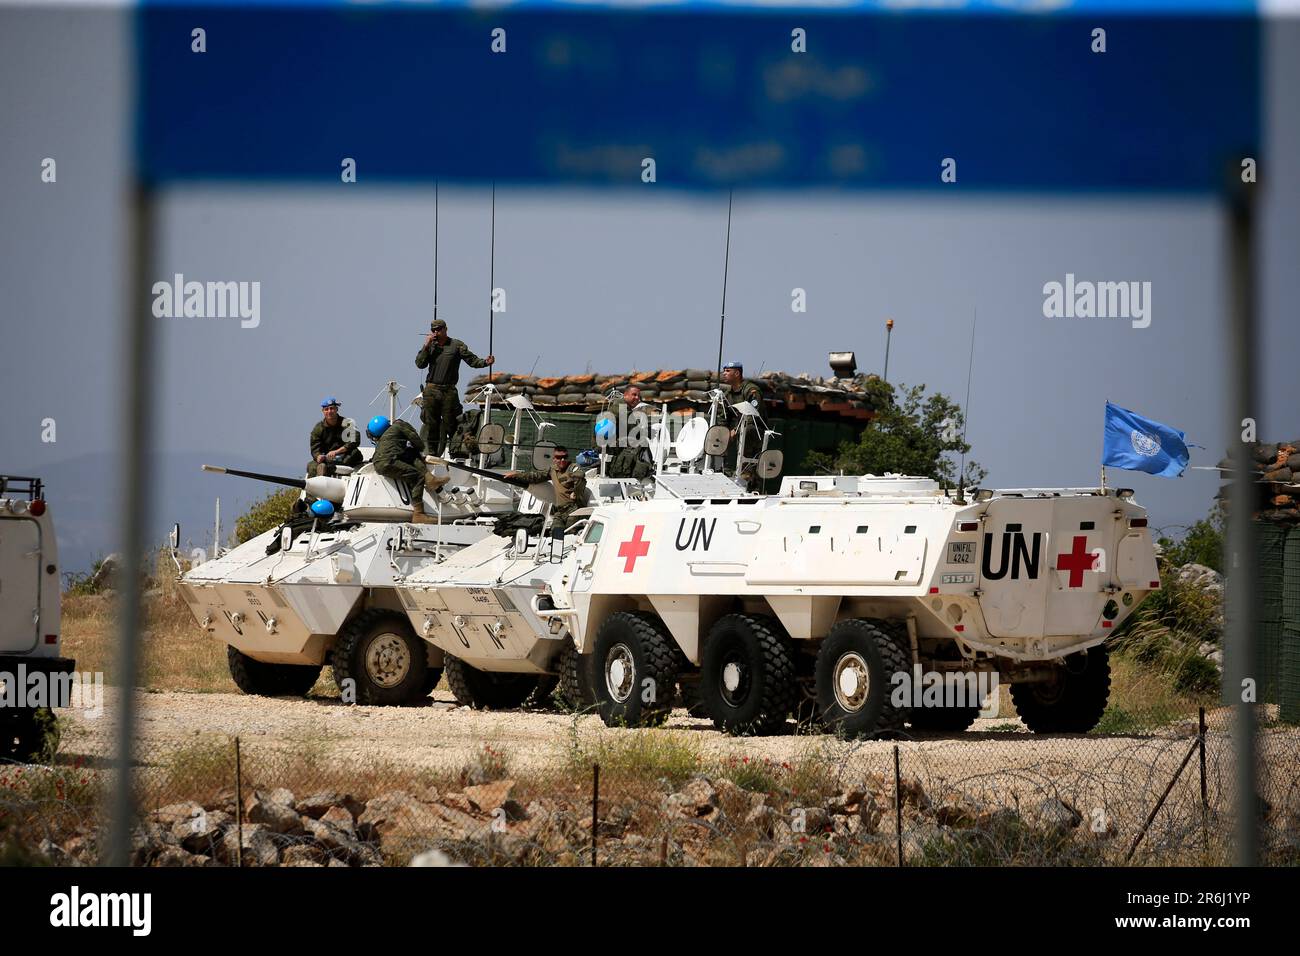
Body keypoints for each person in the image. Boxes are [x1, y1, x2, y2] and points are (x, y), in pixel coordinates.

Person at [415, 318, 494, 456]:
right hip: (432, 389)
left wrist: (486, 362)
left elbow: (472, 360)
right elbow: (420, 364)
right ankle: (432, 453)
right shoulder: (431, 346)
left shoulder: (456, 345)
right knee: (431, 423)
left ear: (445, 329)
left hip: (449, 390)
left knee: (451, 423)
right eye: (433, 330)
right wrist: (426, 346)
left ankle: (455, 451)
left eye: (439, 329)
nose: (436, 332)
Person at [367, 415, 441, 525]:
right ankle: (419, 514)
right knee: (418, 477)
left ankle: (430, 478)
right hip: (389, 462)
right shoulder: (400, 425)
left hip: (379, 463)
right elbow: (419, 444)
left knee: (409, 453)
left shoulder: (384, 438)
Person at [501, 445, 587, 530]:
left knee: (571, 534)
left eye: (565, 457)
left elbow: (580, 477)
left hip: (574, 509)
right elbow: (536, 476)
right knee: (555, 533)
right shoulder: (552, 470)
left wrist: (575, 493)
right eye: (559, 457)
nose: (563, 460)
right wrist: (517, 475)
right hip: (560, 510)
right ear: (554, 459)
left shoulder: (572, 468)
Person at [720, 361, 764, 487]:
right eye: (724, 370)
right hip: (736, 430)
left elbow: (753, 416)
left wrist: (735, 431)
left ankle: (746, 477)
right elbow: (723, 416)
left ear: (737, 373)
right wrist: (723, 432)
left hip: (754, 430)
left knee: (748, 431)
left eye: (728, 371)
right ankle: (723, 471)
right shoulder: (728, 394)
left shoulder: (751, 391)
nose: (724, 373)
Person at [604, 384, 654, 479]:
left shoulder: (620, 406)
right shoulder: (621, 407)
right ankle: (647, 471)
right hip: (611, 447)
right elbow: (633, 428)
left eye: (639, 396)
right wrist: (648, 431)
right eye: (634, 395)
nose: (637, 398)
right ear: (625, 395)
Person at [308, 397, 363, 477]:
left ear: (336, 409)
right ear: (323, 411)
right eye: (326, 409)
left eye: (331, 408)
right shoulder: (318, 428)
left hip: (346, 454)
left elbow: (354, 441)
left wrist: (336, 452)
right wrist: (318, 456)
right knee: (312, 466)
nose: (329, 411)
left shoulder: (347, 423)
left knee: (349, 457)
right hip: (327, 457)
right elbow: (315, 448)